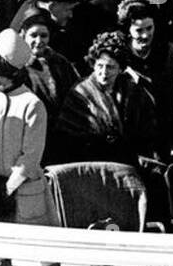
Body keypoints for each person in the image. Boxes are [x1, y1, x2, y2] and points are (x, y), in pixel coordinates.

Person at [0, 28, 52, 223]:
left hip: (22, 200)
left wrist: (6, 190)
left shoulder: (32, 104)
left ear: (2, 68)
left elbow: (30, 157)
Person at [55, 30, 159, 166]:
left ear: (120, 69)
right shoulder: (80, 93)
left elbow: (148, 130)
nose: (104, 73)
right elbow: (68, 139)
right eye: (99, 66)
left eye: (110, 67)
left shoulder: (133, 92)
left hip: (131, 165)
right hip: (93, 165)